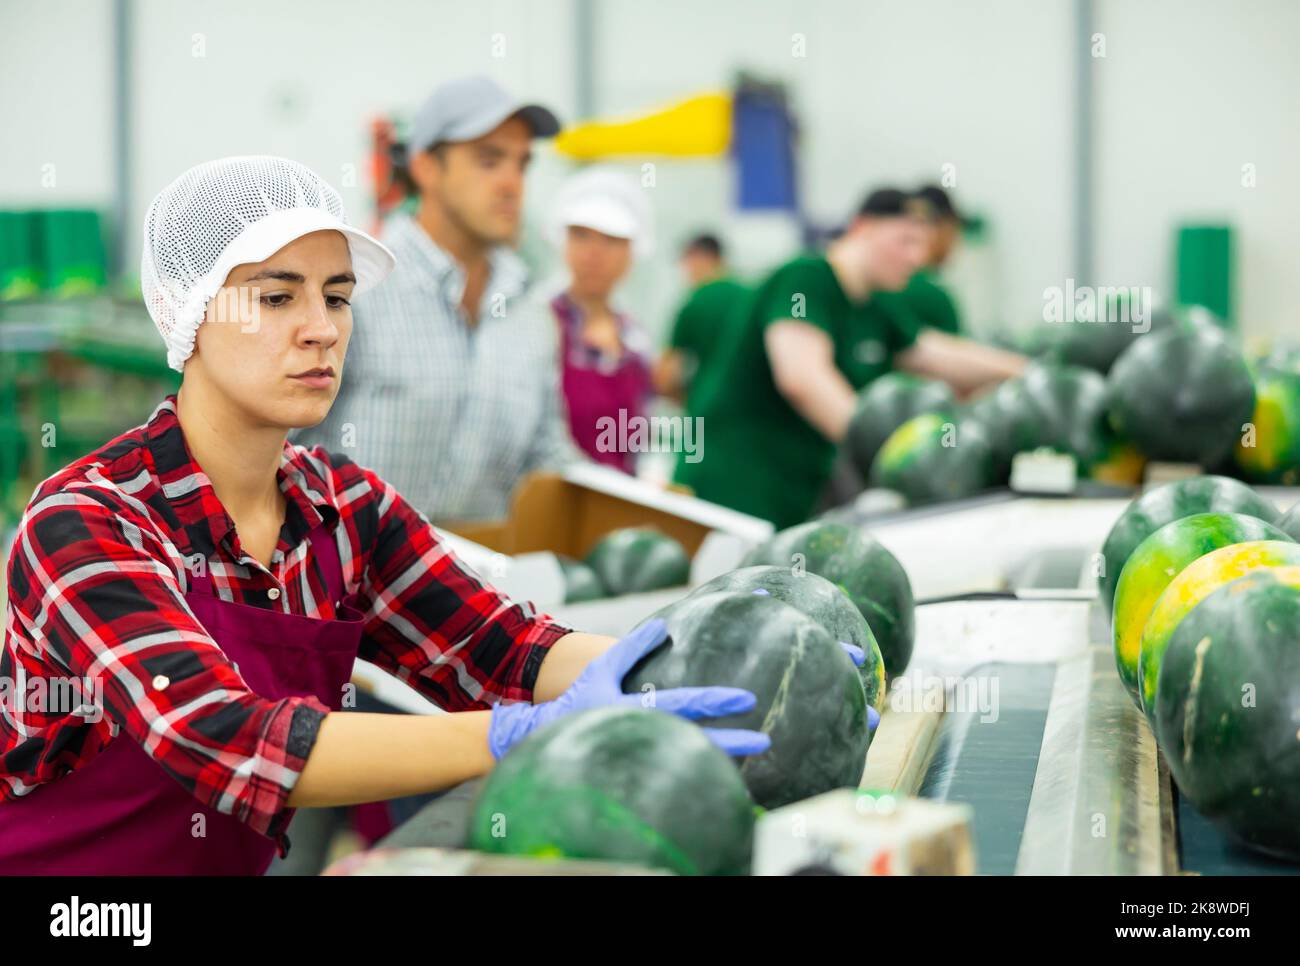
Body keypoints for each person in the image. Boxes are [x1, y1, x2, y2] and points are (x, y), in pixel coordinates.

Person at [0, 156, 772, 875]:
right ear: (189, 311)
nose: (323, 328)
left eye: (336, 296)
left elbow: (503, 649)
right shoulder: (86, 524)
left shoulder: (344, 509)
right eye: (277, 297)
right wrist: (509, 737)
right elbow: (220, 735)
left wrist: (715, 664)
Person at [297, 75, 582, 526]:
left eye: (522, 164)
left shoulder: (530, 312)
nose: (512, 183)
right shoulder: (356, 292)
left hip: (476, 586)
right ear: (426, 167)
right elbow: (275, 446)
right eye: (489, 161)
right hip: (344, 586)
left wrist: (633, 505)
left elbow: (548, 456)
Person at [675, 188, 1026, 528]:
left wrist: (1024, 371)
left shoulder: (873, 302)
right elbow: (802, 378)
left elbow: (930, 352)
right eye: (905, 241)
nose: (916, 258)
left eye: (922, 244)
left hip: (796, 487)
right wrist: (897, 458)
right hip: (735, 485)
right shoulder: (805, 278)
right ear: (862, 228)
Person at [545, 168, 655, 474]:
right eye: (581, 235)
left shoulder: (636, 339)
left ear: (632, 251)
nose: (594, 253)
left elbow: (640, 442)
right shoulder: (538, 323)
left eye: (611, 240)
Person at [654, 233, 750, 409]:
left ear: (697, 257)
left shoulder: (694, 303)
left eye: (686, 262)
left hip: (710, 412)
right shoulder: (750, 295)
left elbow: (664, 378)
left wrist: (691, 398)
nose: (685, 270)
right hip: (751, 409)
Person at [896, 184, 965, 335]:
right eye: (955, 230)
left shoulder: (882, 284)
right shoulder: (933, 296)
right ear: (939, 229)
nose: (957, 241)